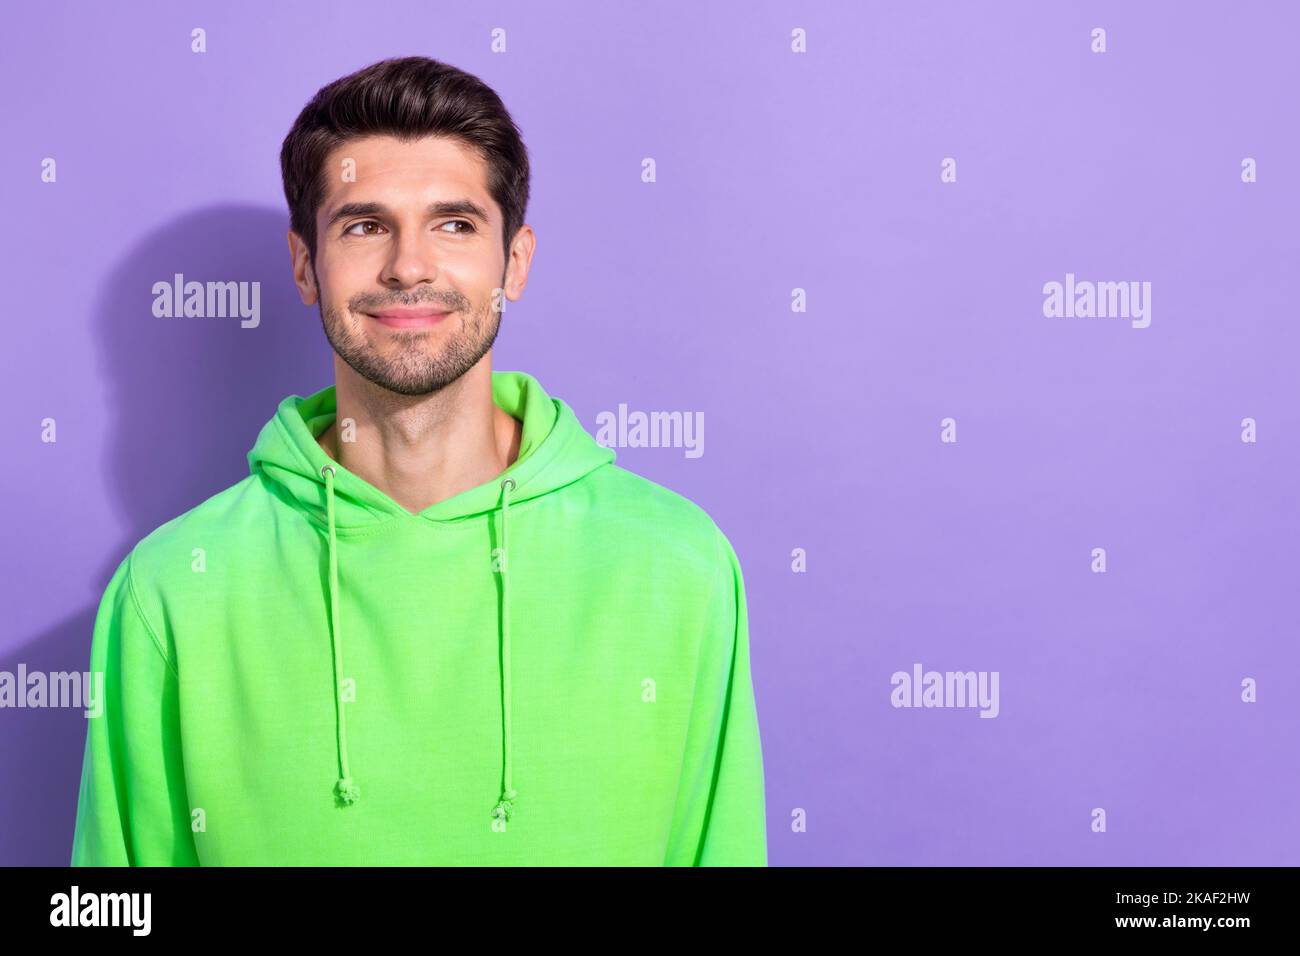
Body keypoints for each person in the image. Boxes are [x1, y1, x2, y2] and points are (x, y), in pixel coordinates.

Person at [70, 55, 767, 866]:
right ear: (305, 266)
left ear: (515, 262)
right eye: (366, 225)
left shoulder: (679, 566)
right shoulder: (170, 590)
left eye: (455, 224)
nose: (409, 265)